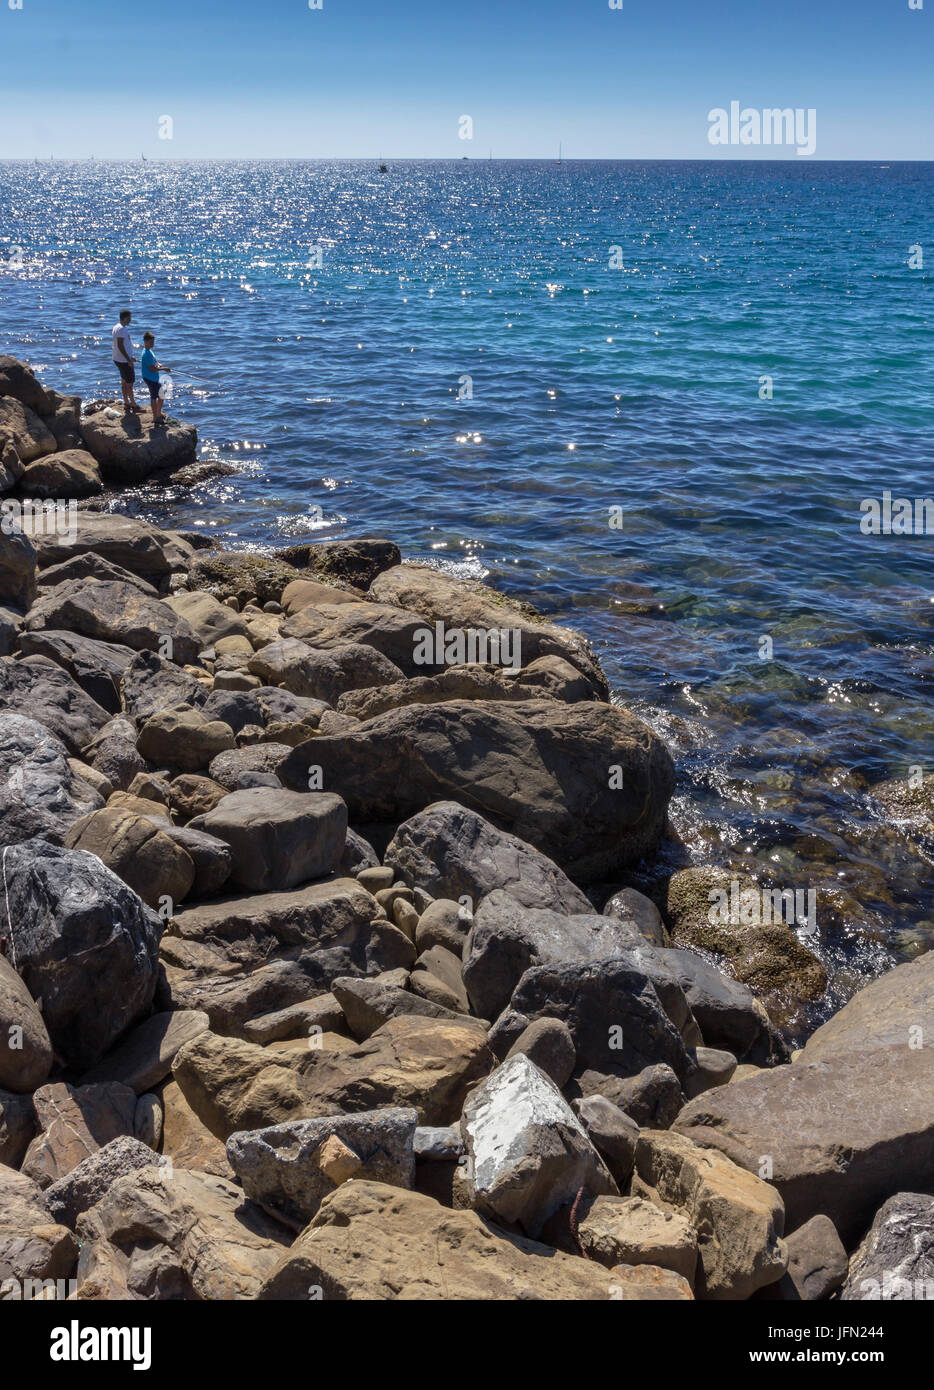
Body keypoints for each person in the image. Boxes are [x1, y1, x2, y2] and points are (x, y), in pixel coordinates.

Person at [140, 332, 172, 424]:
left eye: (153, 342)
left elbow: (154, 362)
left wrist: (159, 364)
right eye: (151, 342)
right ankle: (156, 417)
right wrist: (164, 368)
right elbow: (152, 368)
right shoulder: (146, 354)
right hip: (150, 378)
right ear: (145, 341)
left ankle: (158, 414)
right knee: (155, 396)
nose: (152, 344)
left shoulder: (150, 351)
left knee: (160, 395)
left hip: (153, 378)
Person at [112, 310, 138, 413]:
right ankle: (133, 404)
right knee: (129, 383)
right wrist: (128, 359)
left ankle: (126, 402)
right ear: (125, 318)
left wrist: (130, 357)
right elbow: (120, 345)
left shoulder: (117, 327)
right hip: (123, 360)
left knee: (124, 380)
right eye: (129, 318)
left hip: (118, 358)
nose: (130, 320)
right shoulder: (121, 329)